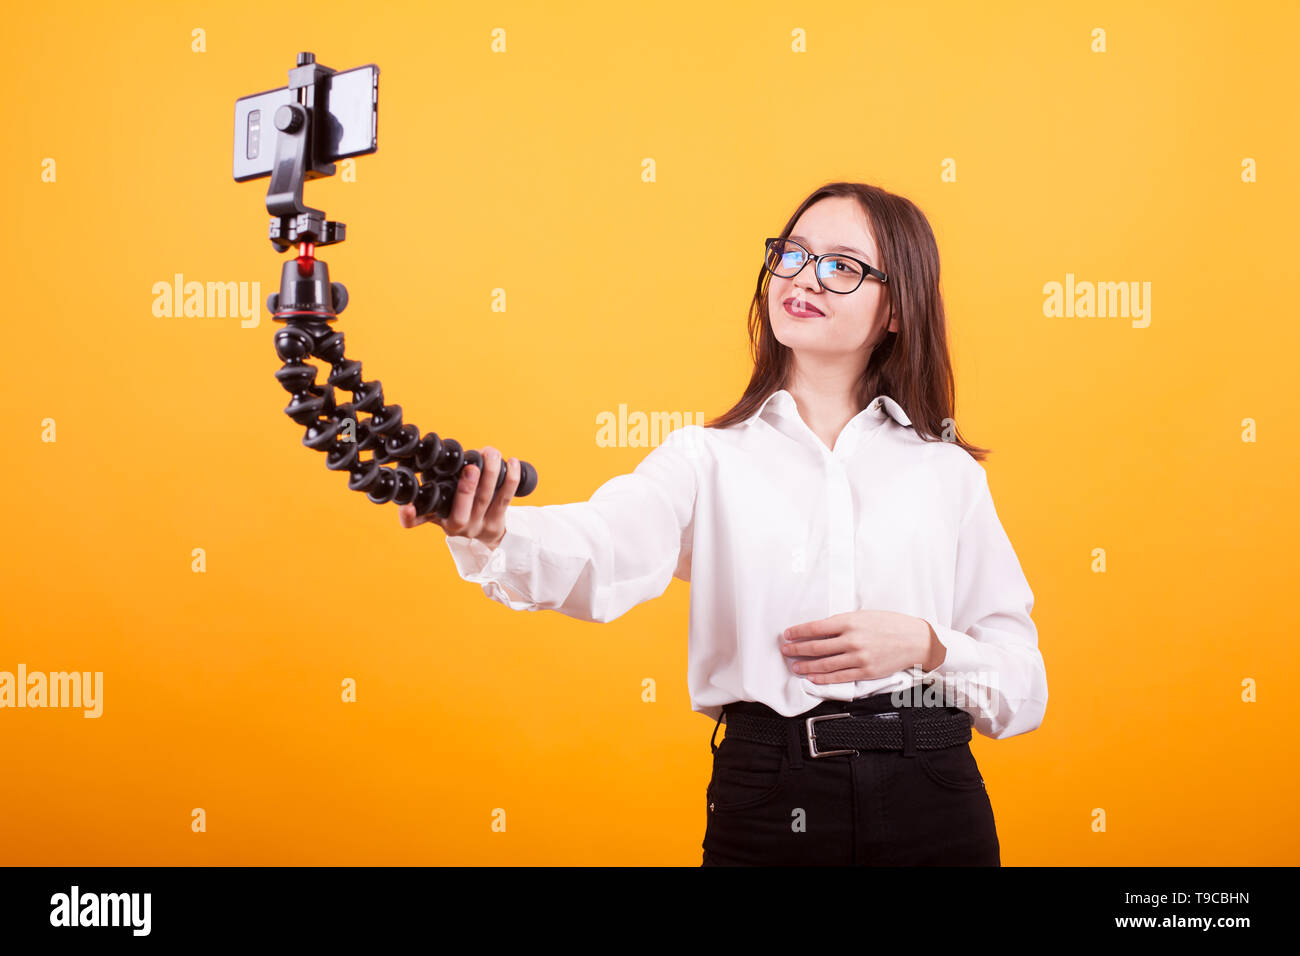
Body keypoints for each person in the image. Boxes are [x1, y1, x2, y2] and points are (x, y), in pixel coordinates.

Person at [398, 180, 1048, 866]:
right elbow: (604, 546)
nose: (803, 278)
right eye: (791, 254)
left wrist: (925, 644)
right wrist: (493, 531)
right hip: (768, 792)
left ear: (897, 308)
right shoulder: (704, 459)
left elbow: (1022, 688)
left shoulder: (947, 473)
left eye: (842, 266)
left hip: (934, 794)